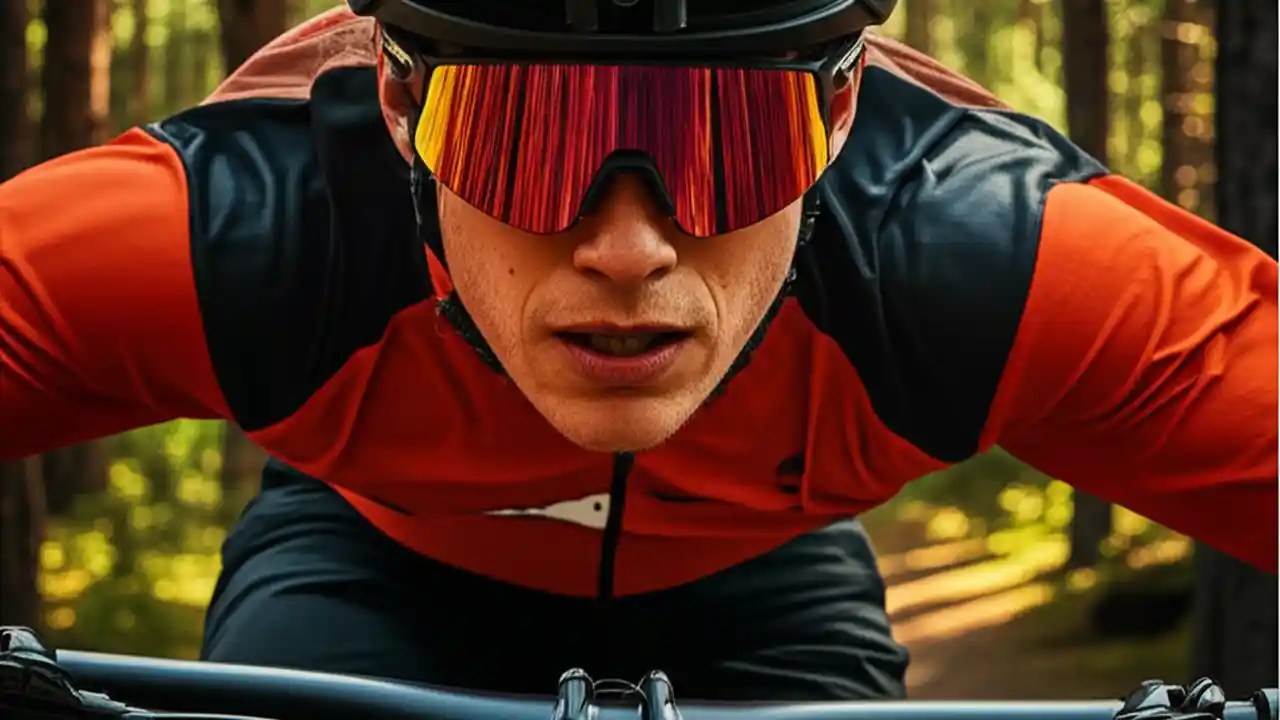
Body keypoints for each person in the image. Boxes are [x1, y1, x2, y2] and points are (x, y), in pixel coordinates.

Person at [0, 0, 1274, 702]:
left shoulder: (977, 256)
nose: (625, 248)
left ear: (840, 115)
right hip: (370, 552)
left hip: (757, 583)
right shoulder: (250, 233)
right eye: (526, 142)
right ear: (400, 114)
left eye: (730, 145)